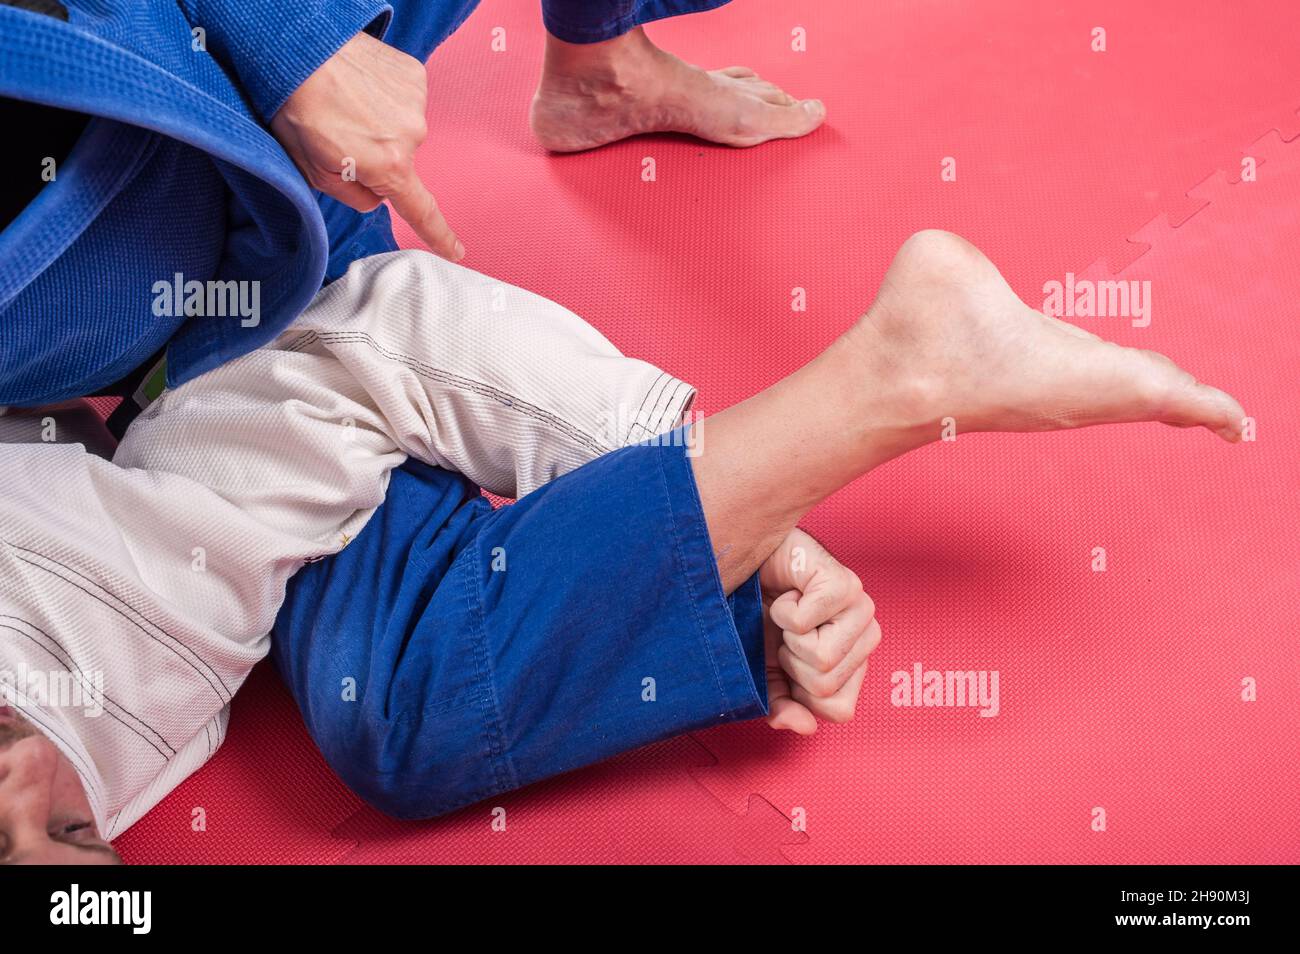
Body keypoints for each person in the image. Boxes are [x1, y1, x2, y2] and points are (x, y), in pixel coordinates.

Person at [0, 231, 1246, 863]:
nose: (47, 799)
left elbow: (371, 337)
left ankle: (910, 362)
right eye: (71, 838)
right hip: (207, 426)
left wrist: (711, 453)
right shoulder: (119, 645)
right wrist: (736, 535)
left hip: (206, 243)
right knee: (401, 713)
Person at [0, 0, 821, 412]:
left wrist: (281, 37)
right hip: (172, 305)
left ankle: (603, 58)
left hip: (141, 61)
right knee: (398, 664)